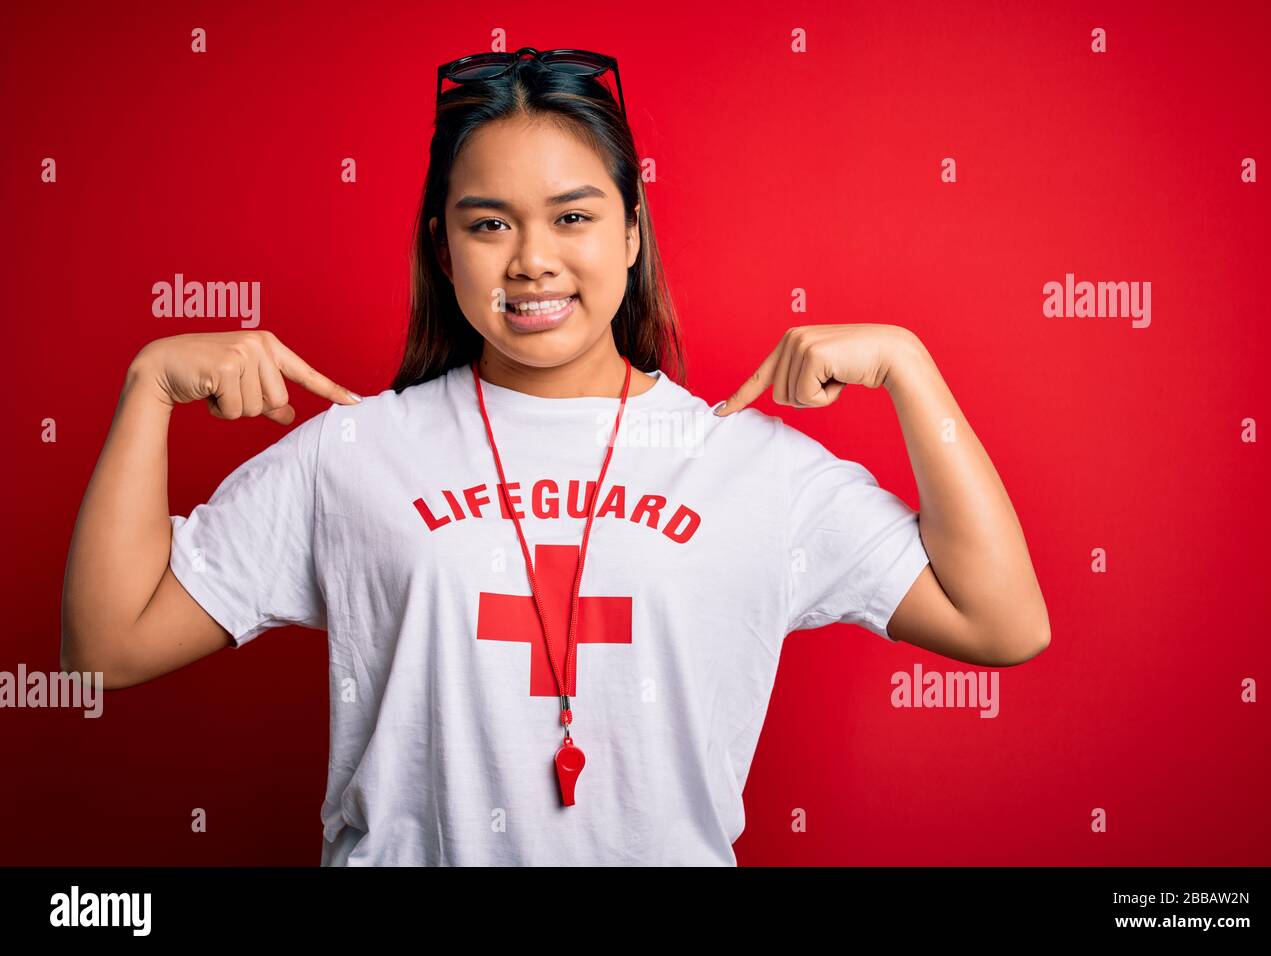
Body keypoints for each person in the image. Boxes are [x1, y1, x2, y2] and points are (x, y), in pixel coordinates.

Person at [60, 48, 1050, 866]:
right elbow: (107, 644)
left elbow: (1000, 621)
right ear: (444, 253)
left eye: (572, 217)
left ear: (630, 234)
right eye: (487, 224)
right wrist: (148, 386)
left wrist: (909, 369)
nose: (531, 258)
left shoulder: (747, 465)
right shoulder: (357, 451)